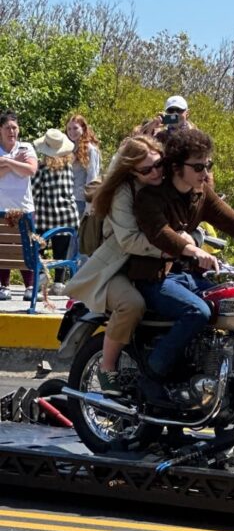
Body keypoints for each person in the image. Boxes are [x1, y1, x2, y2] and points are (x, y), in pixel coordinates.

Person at [131, 129, 234, 387]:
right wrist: (193, 250)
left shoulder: (200, 194)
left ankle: (214, 374)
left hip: (189, 275)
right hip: (155, 277)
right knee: (197, 311)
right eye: (198, 166)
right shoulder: (150, 196)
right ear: (176, 167)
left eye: (208, 164)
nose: (205, 173)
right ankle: (153, 376)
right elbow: (159, 233)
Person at [64, 136, 166, 396]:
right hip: (114, 270)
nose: (155, 172)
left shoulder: (166, 186)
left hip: (149, 268)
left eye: (158, 164)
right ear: (132, 170)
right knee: (131, 304)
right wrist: (174, 248)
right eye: (146, 169)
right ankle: (107, 368)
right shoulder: (123, 193)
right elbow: (130, 240)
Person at [31, 129, 80, 295]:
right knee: (61, 252)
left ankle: (41, 274)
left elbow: (33, 192)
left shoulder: (42, 169)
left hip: (46, 218)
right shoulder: (68, 167)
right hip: (68, 217)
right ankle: (59, 282)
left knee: (37, 246)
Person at [0, 110, 38, 301]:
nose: (11, 131)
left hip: (24, 208)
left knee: (26, 248)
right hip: (1, 209)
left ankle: (30, 286)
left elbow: (30, 170)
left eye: (14, 127)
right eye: (7, 127)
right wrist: (14, 162)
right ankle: (4, 285)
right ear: (1, 129)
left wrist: (5, 163)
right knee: (3, 248)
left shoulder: (26, 147)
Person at [66, 114, 102, 217]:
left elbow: (92, 177)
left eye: (75, 128)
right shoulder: (69, 148)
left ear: (83, 128)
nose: (72, 132)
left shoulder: (91, 149)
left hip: (81, 199)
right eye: (69, 129)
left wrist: (89, 204)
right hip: (68, 198)